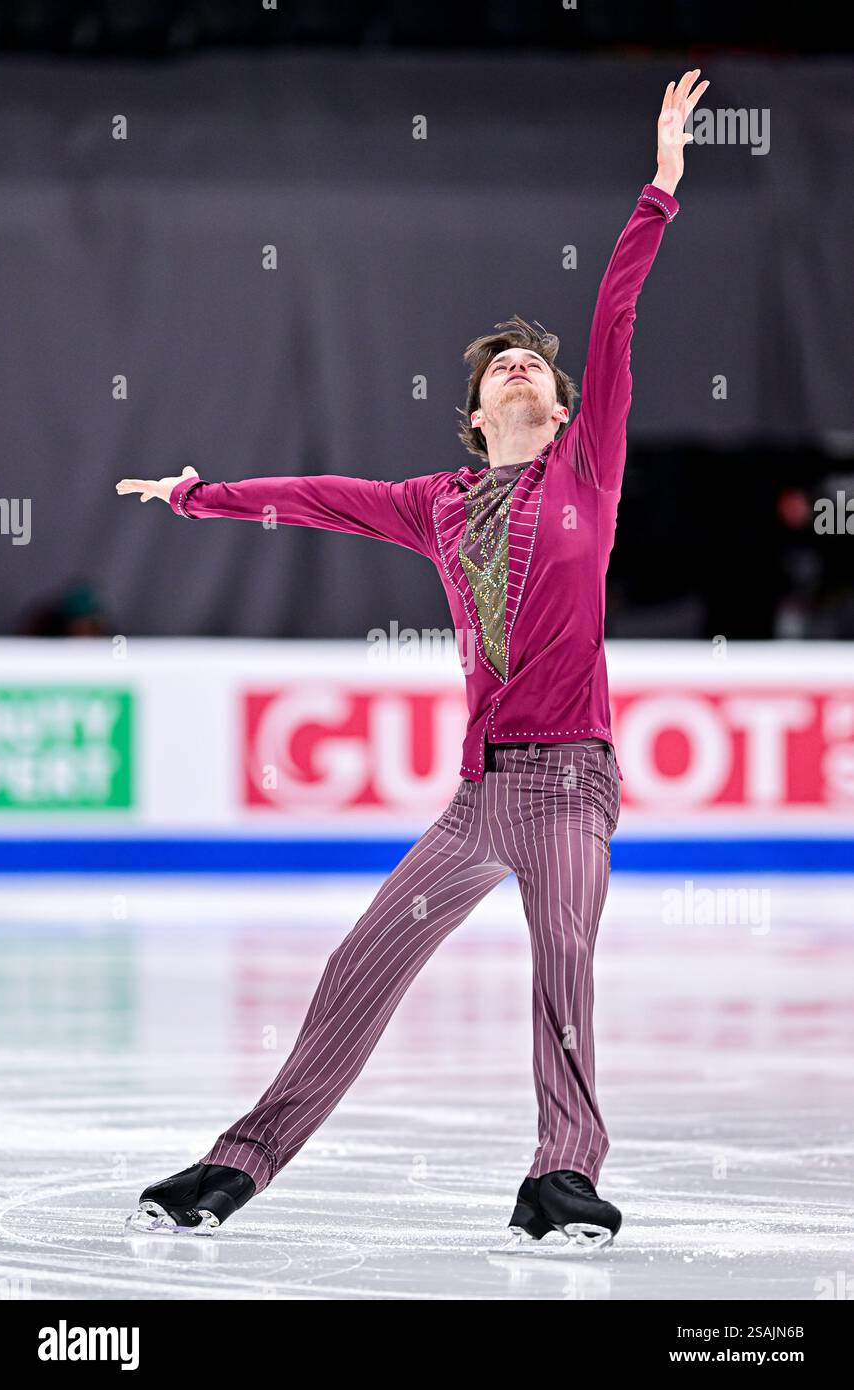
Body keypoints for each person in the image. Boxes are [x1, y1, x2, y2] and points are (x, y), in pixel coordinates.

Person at [117, 70, 708, 1248]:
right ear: (477, 412)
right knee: (356, 969)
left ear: (562, 406)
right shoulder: (433, 502)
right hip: (476, 799)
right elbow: (315, 499)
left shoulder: (586, 468)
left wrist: (659, 187)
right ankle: (236, 1168)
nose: (523, 368)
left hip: (569, 784)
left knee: (563, 977)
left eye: (537, 366)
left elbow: (615, 316)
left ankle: (562, 1176)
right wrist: (197, 499)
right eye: (503, 367)